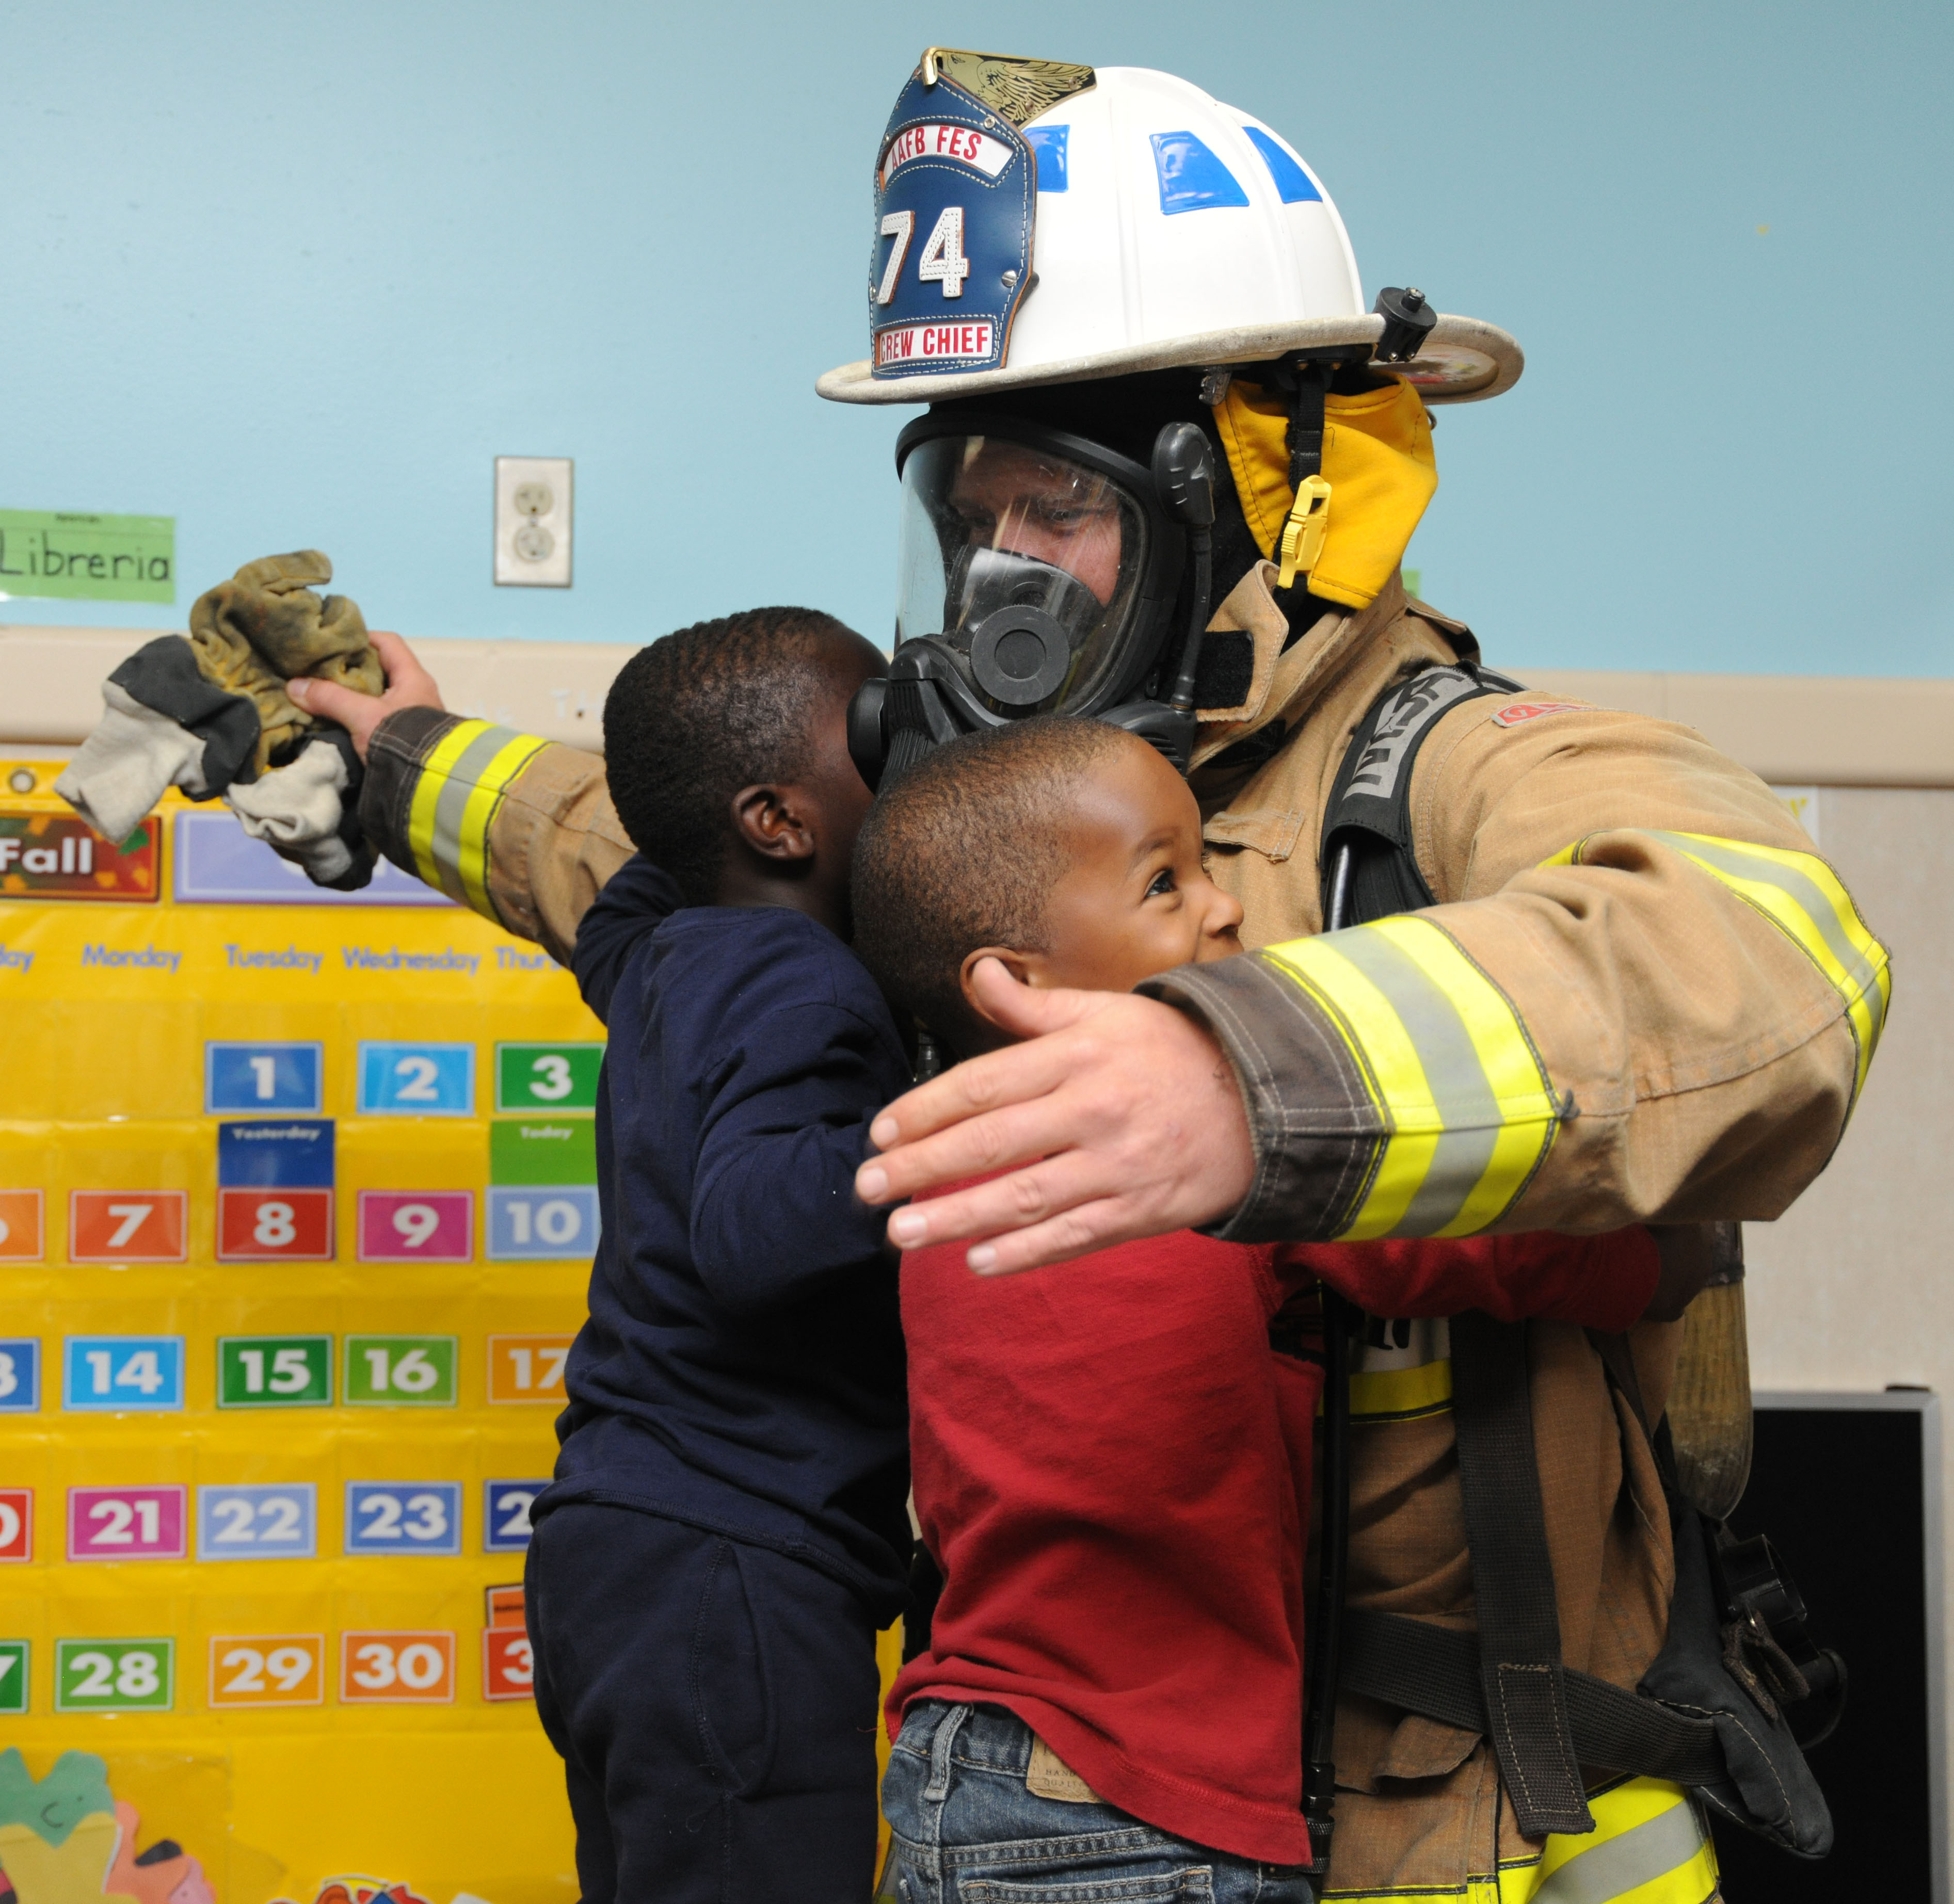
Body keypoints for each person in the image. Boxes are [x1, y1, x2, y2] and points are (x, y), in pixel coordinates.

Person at [287, 48, 1886, 1902]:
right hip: (1085, 1793)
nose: (999, 575)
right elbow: (672, 853)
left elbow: (1764, 957)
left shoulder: (1454, 767)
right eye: (972, 518)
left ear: (1254, 495)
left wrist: (1238, 1076)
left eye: (1057, 508)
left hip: (1467, 1828)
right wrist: (400, 763)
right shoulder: (1005, 810)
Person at [851, 715, 1692, 1902]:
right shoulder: (1207, 1165)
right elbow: (1479, 1254)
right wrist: (1657, 1265)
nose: (1227, 905)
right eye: (1165, 883)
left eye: (1209, 864)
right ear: (1019, 981)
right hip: (1138, 1808)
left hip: (958, 1757)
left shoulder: (945, 1169)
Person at [520, 607, 909, 1904]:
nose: (909, 760)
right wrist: (964, 1125)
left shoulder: (658, 953)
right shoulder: (803, 980)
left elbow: (641, 877)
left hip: (616, 1548)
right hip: (737, 1564)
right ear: (778, 821)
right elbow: (751, 1228)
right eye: (880, 737)